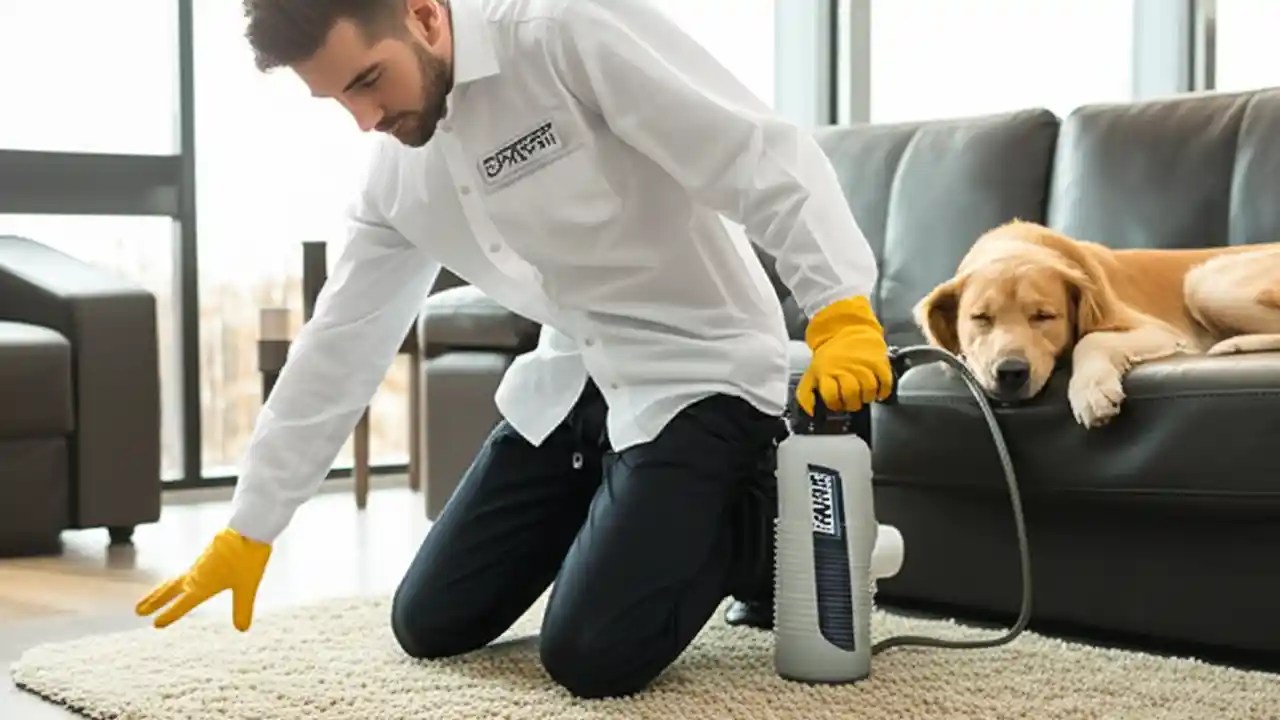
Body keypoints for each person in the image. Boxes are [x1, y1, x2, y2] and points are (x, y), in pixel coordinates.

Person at [135, 0, 893, 700]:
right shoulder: (397, 177)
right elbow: (339, 344)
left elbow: (754, 151)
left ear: (424, 13)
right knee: (428, 623)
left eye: (370, 80)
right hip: (572, 386)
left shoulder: (560, 31)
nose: (366, 119)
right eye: (340, 100)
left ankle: (775, 528)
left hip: (699, 373)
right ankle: (644, 519)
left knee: (591, 655)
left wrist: (839, 310)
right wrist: (251, 524)